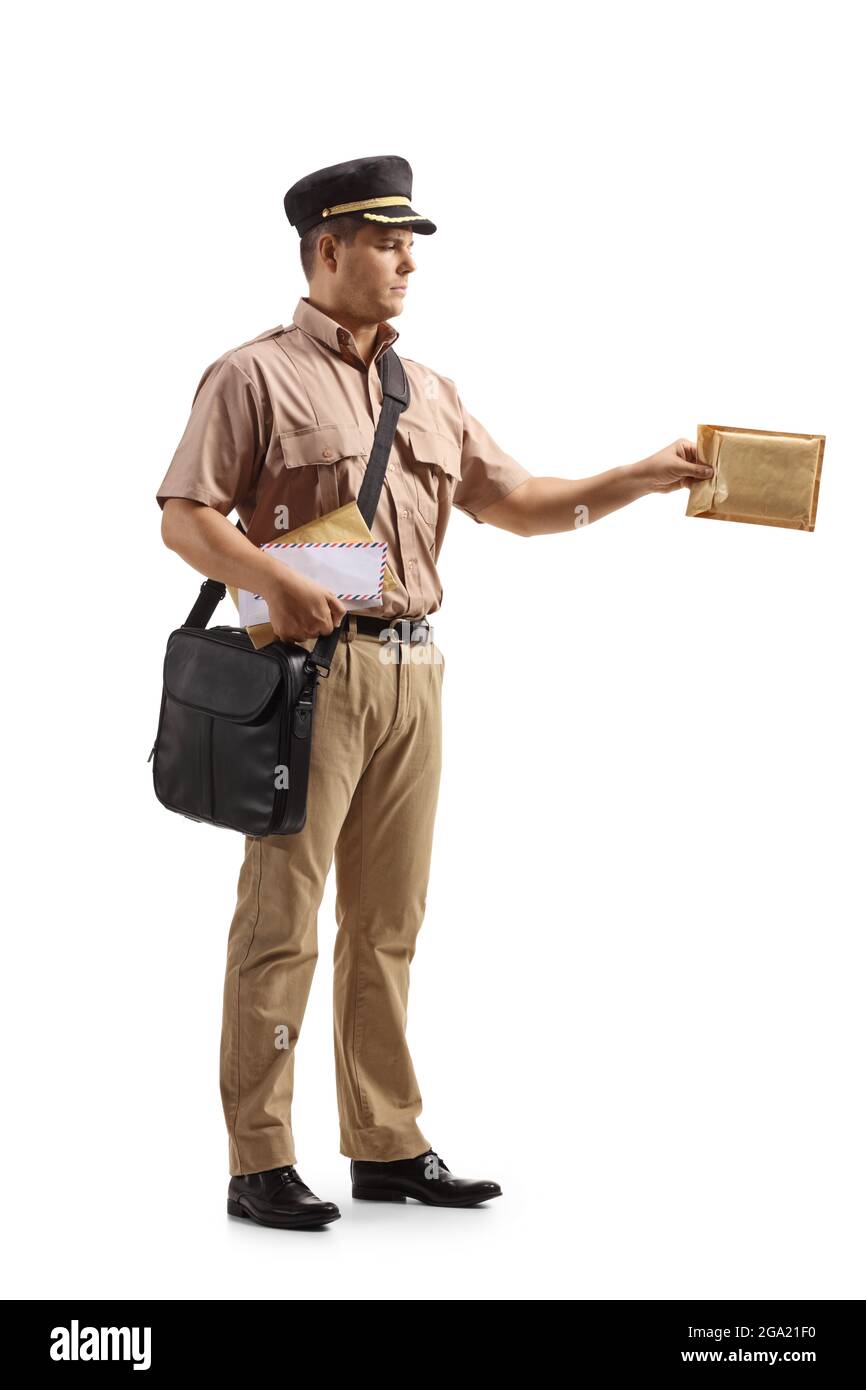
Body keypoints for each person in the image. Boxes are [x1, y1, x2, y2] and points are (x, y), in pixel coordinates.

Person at [155, 154, 714, 1230]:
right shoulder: (251, 375)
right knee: (283, 916)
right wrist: (272, 578)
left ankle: (386, 1142)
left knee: (389, 922)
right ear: (327, 247)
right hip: (307, 674)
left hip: (416, 670)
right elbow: (186, 515)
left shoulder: (429, 392)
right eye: (385, 240)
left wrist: (634, 478)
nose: (407, 259)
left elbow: (515, 502)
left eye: (411, 241)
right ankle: (258, 1157)